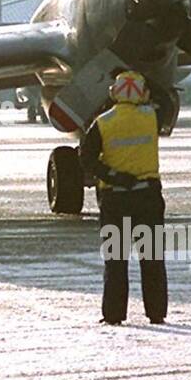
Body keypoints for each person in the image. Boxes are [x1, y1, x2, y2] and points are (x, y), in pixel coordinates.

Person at [80, 70, 167, 325]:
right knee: (151, 258)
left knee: (115, 260)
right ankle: (156, 313)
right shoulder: (152, 116)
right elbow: (165, 98)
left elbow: (86, 160)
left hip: (115, 200)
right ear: (143, 92)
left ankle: (114, 314)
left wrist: (114, 176)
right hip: (147, 197)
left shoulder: (102, 122)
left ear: (113, 93)